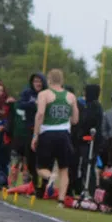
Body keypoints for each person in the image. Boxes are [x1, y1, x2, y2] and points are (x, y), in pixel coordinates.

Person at [31, 69, 79, 205]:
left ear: (49, 80)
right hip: (64, 135)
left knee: (40, 167)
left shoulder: (44, 94)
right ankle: (61, 201)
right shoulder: (70, 96)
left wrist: (35, 135)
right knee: (64, 169)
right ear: (62, 80)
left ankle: (50, 176)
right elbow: (75, 120)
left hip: (47, 133)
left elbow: (40, 114)